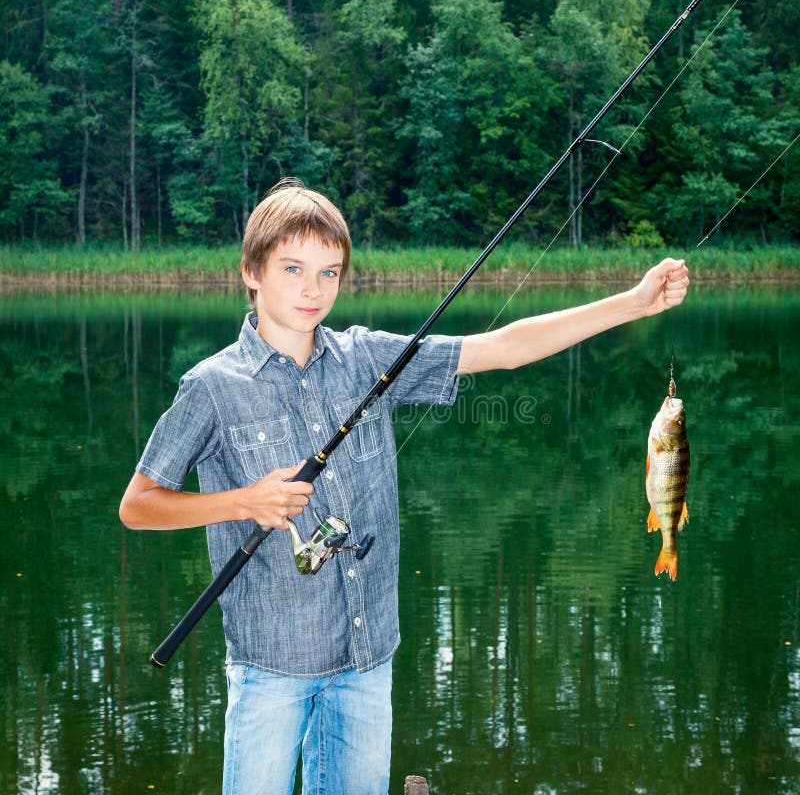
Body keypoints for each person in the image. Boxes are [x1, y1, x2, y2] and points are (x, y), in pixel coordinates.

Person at [119, 179, 690, 795]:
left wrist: (632, 303)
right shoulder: (211, 387)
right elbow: (138, 505)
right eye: (292, 269)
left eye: (329, 272)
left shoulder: (368, 359)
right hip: (271, 665)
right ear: (251, 273)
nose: (313, 289)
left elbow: (502, 348)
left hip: (367, 657)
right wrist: (243, 502)